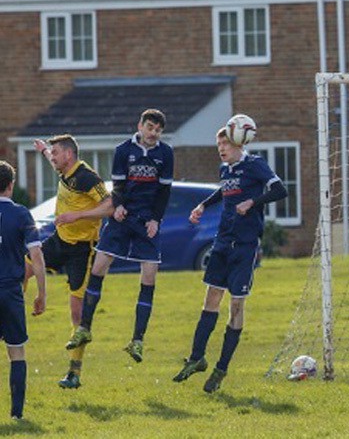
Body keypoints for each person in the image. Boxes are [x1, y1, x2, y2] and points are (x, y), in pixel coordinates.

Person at [173, 121, 287, 393]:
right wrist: (203, 204)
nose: (221, 149)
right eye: (218, 145)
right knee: (211, 299)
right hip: (222, 242)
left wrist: (253, 202)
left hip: (245, 246)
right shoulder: (225, 169)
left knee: (236, 306)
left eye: (225, 144)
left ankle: (221, 369)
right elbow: (224, 190)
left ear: (239, 143)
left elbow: (280, 190)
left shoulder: (255, 165)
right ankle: (197, 357)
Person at [66, 109, 174, 363]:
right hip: (122, 217)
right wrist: (120, 204)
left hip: (147, 219)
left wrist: (156, 220)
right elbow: (117, 186)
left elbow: (164, 192)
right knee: (100, 265)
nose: (153, 133)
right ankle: (85, 328)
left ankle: (137, 340)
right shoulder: (123, 150)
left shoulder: (166, 153)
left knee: (149, 274)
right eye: (149, 127)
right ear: (140, 126)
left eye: (158, 130)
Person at [25, 135, 111, 389]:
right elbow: (55, 164)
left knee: (77, 312)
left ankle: (74, 373)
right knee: (22, 268)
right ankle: (11, 318)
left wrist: (79, 215)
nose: (52, 157)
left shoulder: (86, 176)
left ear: (69, 155)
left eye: (55, 153)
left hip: (82, 250)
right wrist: (43, 151)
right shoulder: (66, 169)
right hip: (59, 240)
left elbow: (109, 205)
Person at [0, 160, 46, 419]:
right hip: (10, 291)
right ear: (11, 185)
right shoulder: (21, 214)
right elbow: (36, 257)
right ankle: (16, 415)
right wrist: (42, 294)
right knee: (16, 351)